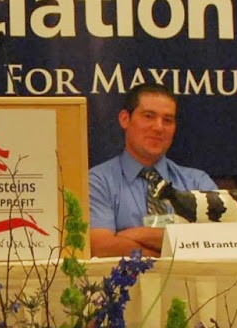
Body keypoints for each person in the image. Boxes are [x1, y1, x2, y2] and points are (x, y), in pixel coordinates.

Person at [88, 85, 218, 257]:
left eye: (168, 120)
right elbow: (101, 246)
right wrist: (175, 254)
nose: (158, 127)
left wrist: (138, 234)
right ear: (125, 119)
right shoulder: (97, 181)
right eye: (148, 116)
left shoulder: (197, 182)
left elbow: (221, 241)